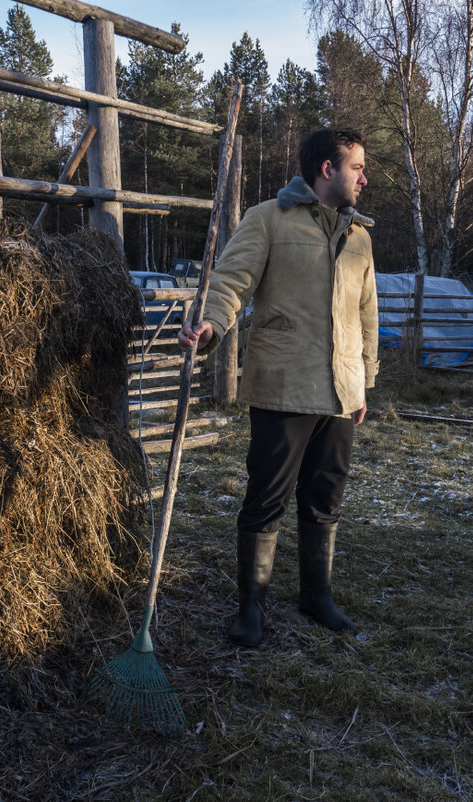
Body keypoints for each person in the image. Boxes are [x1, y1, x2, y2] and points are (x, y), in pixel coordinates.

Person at [178, 127, 378, 648]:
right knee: (267, 499)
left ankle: (317, 596)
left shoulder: (361, 237)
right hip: (284, 386)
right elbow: (228, 282)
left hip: (340, 392)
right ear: (328, 169)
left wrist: (365, 382)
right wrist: (210, 328)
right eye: (357, 167)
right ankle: (251, 609)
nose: (364, 176)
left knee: (324, 497)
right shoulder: (268, 218)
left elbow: (366, 313)